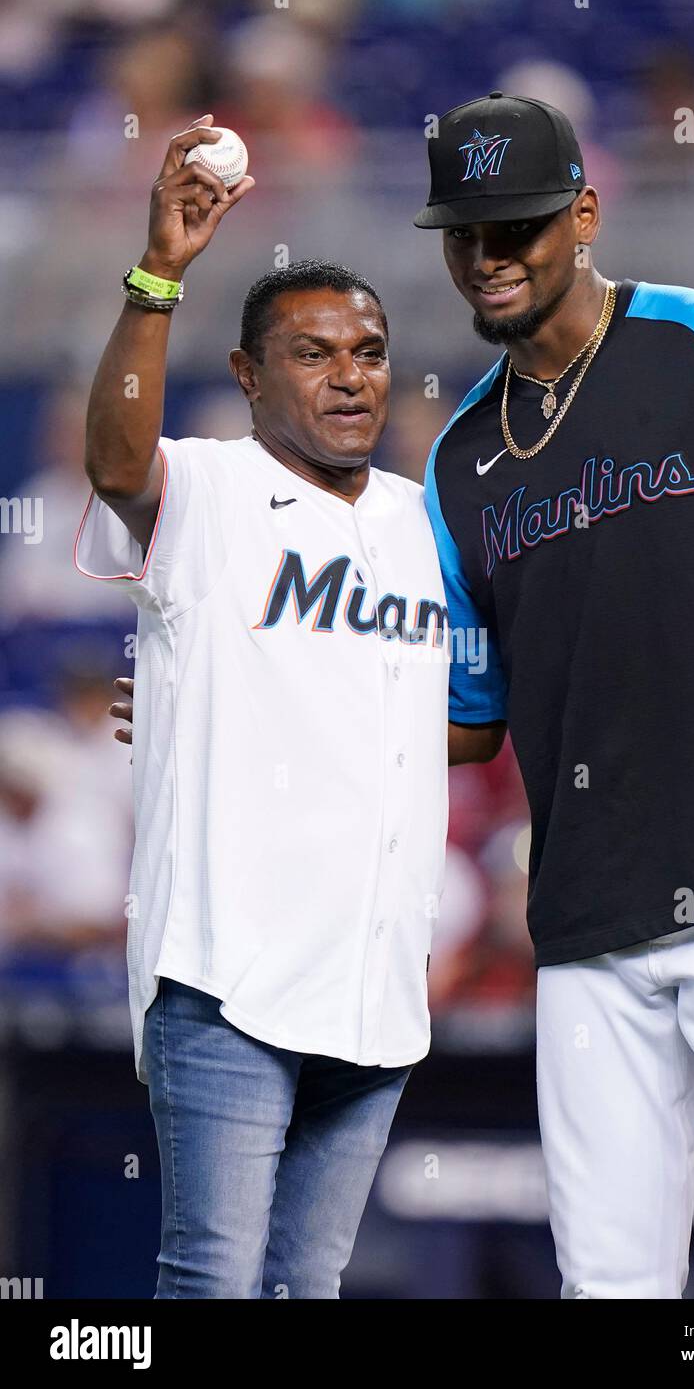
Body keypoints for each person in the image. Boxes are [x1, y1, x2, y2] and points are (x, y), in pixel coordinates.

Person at [415, 92, 694, 1299]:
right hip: (585, 925)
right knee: (607, 1283)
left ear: (585, 214)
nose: (489, 255)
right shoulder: (457, 458)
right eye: (466, 232)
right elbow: (468, 720)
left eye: (515, 226)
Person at [78, 115, 494, 1300]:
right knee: (209, 1276)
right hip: (226, 969)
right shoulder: (211, 484)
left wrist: (226, 697)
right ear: (251, 377)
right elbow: (115, 463)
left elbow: (460, 724)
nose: (351, 372)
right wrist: (161, 269)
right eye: (312, 353)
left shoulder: (427, 521)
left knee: (304, 1286)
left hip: (374, 978)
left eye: (367, 349)